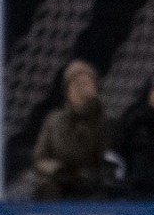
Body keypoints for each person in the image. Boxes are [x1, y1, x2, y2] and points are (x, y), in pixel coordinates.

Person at [32, 59, 111, 199]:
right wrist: (57, 169)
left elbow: (105, 156)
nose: (80, 89)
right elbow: (40, 157)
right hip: (59, 184)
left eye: (85, 84)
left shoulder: (104, 121)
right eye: (75, 84)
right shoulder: (54, 120)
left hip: (92, 185)